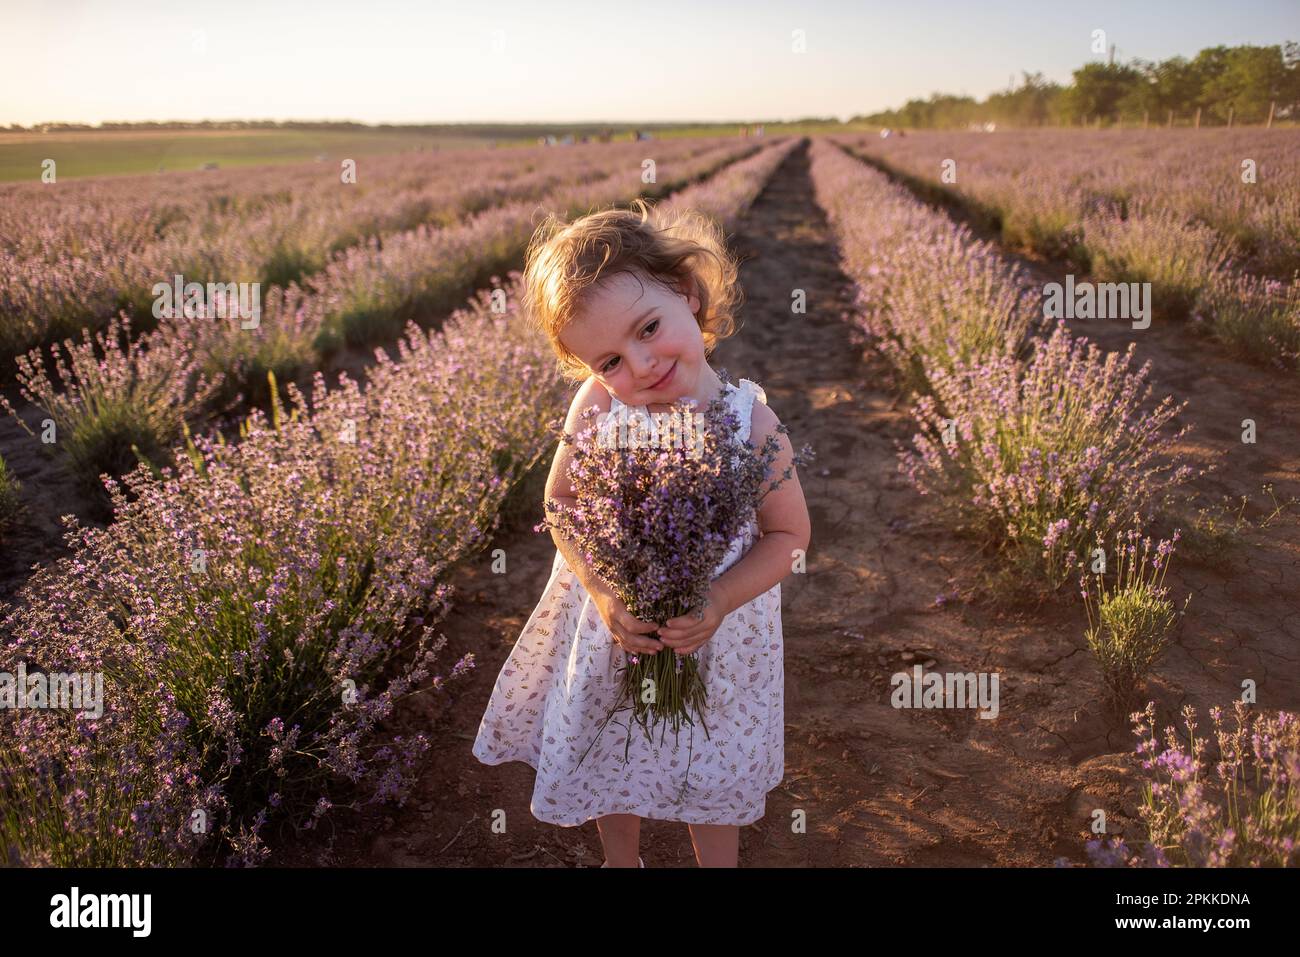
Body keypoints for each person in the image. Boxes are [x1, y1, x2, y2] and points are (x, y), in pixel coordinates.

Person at [472, 198, 811, 867]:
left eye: (649, 327)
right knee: (612, 738)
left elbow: (789, 536)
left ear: (689, 292)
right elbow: (561, 501)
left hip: (717, 630)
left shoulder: (753, 426)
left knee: (710, 754)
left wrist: (714, 601)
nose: (641, 365)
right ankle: (619, 859)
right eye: (610, 360)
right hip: (618, 625)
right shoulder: (599, 406)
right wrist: (602, 592)